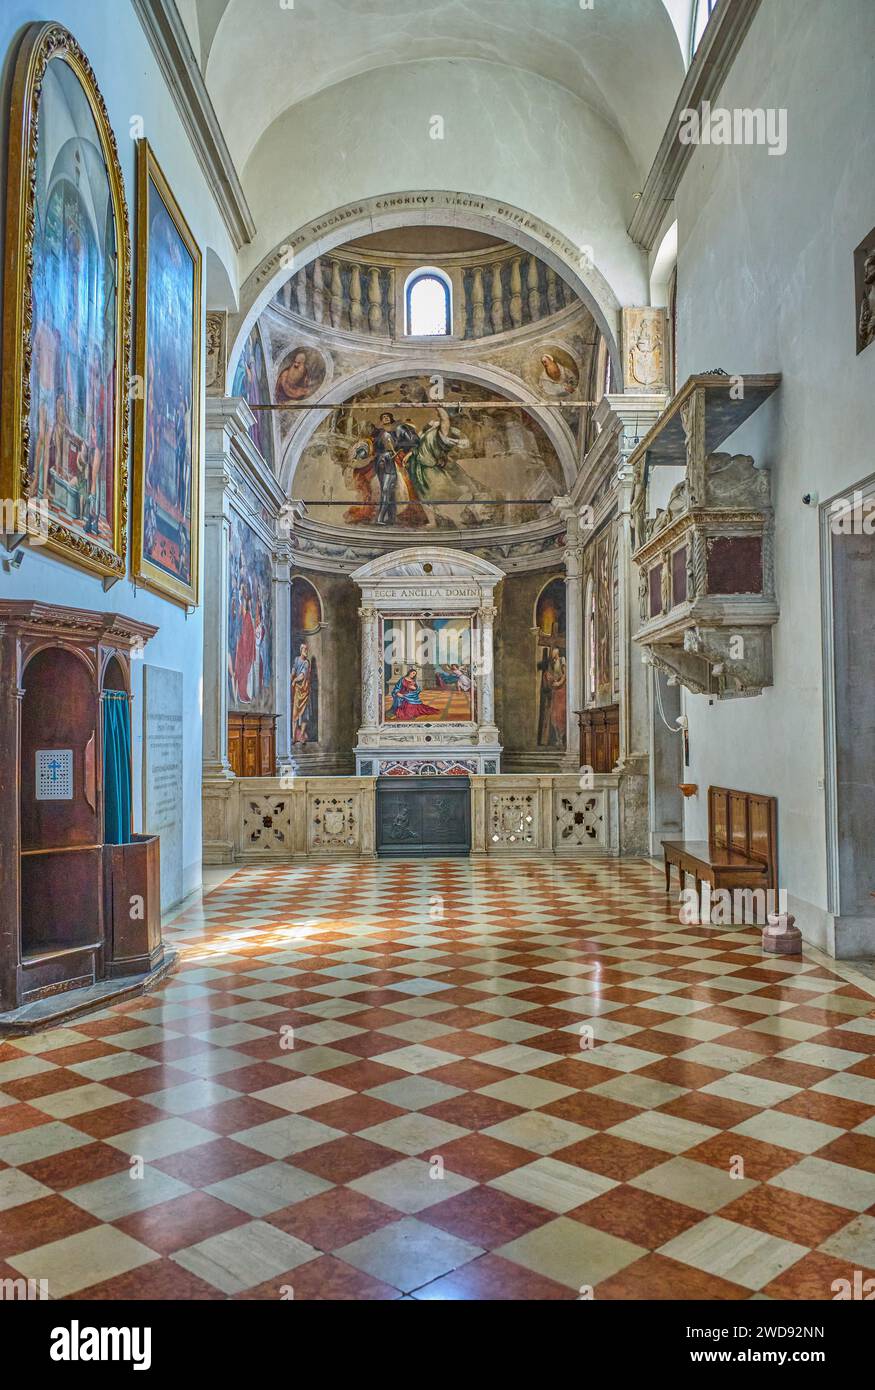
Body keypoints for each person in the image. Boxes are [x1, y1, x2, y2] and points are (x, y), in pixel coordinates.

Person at [291, 641, 313, 743]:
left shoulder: (306, 662)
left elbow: (302, 676)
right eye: (305, 650)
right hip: (297, 691)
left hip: (305, 690)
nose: (306, 652)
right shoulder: (296, 660)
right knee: (295, 714)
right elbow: (294, 671)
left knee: (304, 714)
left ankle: (302, 736)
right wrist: (291, 678)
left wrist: (295, 680)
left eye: (307, 650)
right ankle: (294, 737)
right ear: (301, 650)